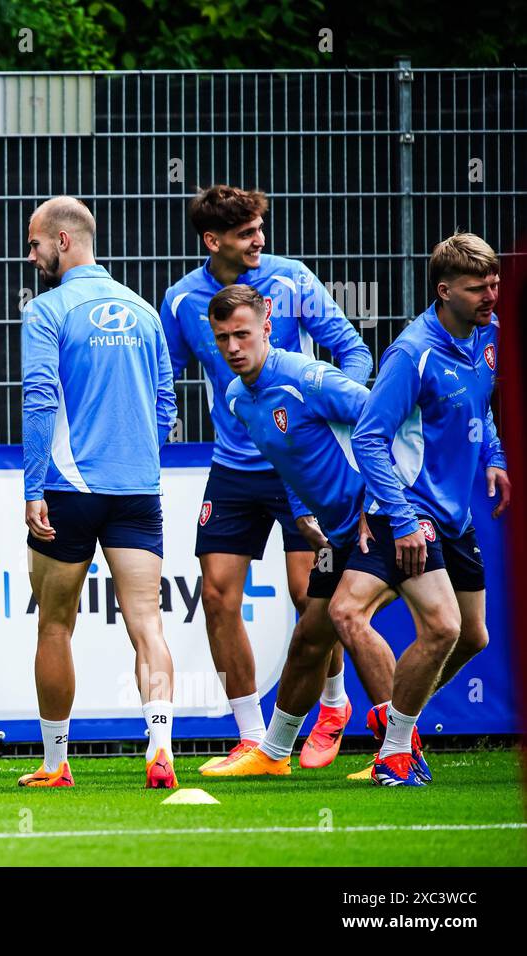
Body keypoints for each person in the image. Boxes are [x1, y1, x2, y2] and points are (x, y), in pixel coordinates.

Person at [159, 185, 373, 771]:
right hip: (233, 468)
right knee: (216, 595)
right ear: (214, 241)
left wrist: (327, 424)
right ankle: (253, 736)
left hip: (300, 471)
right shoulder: (180, 301)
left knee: (311, 598)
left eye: (260, 229)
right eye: (248, 232)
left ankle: (332, 708)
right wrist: (151, 435)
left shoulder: (294, 279)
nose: (261, 240)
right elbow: (164, 380)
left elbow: (353, 353)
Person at [196, 285, 402, 777]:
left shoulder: (306, 378)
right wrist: (303, 512)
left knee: (375, 620)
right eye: (222, 338)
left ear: (267, 326)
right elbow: (286, 459)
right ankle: (273, 753)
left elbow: (380, 420)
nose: (232, 348)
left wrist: (384, 505)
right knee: (312, 636)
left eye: (242, 334)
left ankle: (399, 749)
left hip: (380, 521)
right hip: (335, 533)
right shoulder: (236, 398)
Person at [331, 232, 509, 787]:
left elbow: (482, 405)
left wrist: (494, 457)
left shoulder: (488, 336)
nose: (491, 295)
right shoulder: (412, 353)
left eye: (495, 283)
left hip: (455, 514)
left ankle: (396, 727)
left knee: (473, 636)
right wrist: (403, 518)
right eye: (478, 287)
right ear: (443, 290)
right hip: (411, 510)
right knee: (441, 627)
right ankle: (395, 751)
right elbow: (368, 438)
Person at [19, 196, 179, 790]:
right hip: (138, 490)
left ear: (63, 241)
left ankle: (56, 764)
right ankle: (159, 746)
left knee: (55, 627)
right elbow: (166, 406)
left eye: (35, 244)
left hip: (67, 489)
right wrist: (134, 456)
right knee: (149, 625)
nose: (30, 256)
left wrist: (33, 487)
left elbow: (38, 400)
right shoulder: (145, 311)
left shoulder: (46, 311)